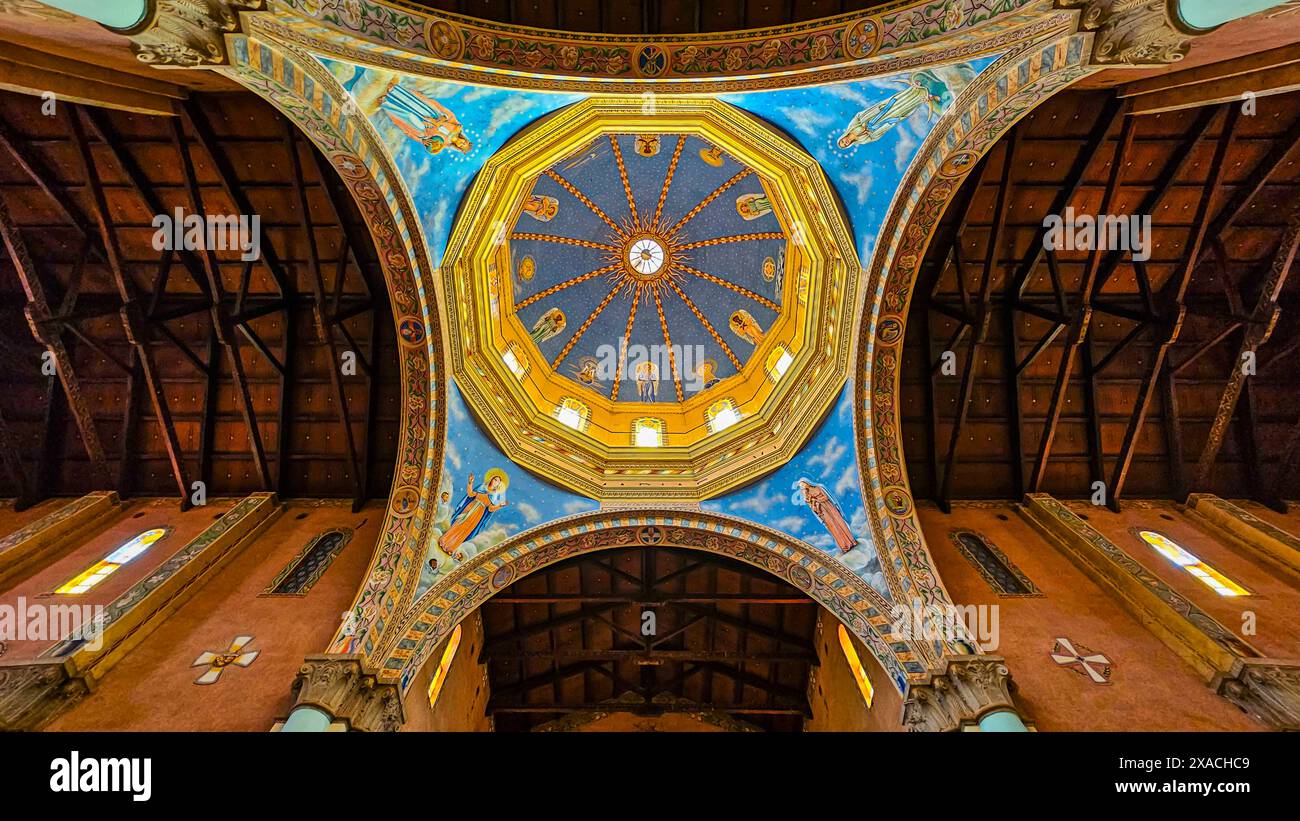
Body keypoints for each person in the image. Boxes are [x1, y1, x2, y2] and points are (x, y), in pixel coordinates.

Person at [437, 470, 509, 556]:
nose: (496, 482)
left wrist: (500, 505)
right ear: (491, 479)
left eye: (498, 482)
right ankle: (444, 541)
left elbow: (490, 509)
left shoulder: (494, 496)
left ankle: (451, 548)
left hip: (478, 514)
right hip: (470, 507)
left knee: (465, 530)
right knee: (458, 525)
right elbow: (471, 494)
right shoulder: (482, 487)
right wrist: (470, 483)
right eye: (495, 479)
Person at [796, 478, 856, 554]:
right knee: (833, 528)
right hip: (823, 512)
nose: (802, 487)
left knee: (840, 522)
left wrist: (817, 500)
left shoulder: (819, 487)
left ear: (807, 482)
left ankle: (851, 541)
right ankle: (845, 546)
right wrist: (810, 500)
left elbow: (826, 497)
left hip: (829, 507)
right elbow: (813, 508)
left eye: (803, 484)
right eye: (801, 486)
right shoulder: (807, 495)